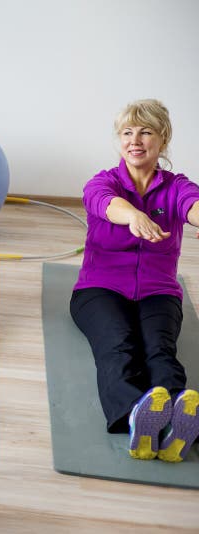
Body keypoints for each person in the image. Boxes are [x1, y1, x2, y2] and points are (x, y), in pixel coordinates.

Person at [70, 99, 199, 462]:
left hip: (158, 291)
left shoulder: (176, 186)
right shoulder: (103, 181)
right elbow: (104, 203)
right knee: (117, 346)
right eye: (127, 132)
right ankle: (134, 417)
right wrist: (133, 216)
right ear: (119, 140)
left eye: (146, 132)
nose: (135, 140)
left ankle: (178, 418)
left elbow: (193, 204)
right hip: (99, 289)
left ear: (163, 139)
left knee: (160, 349)